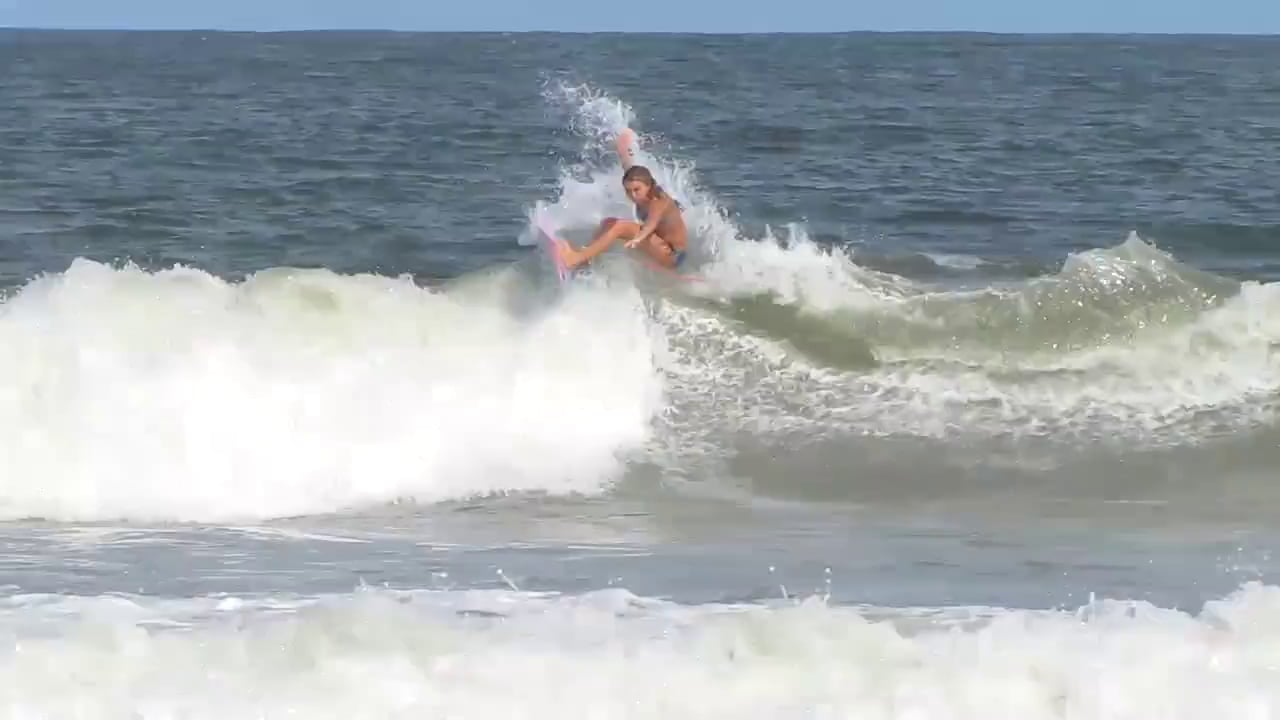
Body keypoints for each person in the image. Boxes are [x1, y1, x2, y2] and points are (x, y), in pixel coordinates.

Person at [555, 128, 689, 271]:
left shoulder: (658, 201)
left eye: (636, 190)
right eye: (628, 191)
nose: (632, 195)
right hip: (657, 243)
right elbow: (629, 167)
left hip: (672, 255)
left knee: (620, 226)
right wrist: (623, 148)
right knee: (609, 222)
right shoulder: (640, 183)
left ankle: (576, 259)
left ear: (649, 185)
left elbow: (651, 223)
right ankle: (585, 258)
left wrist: (638, 239)